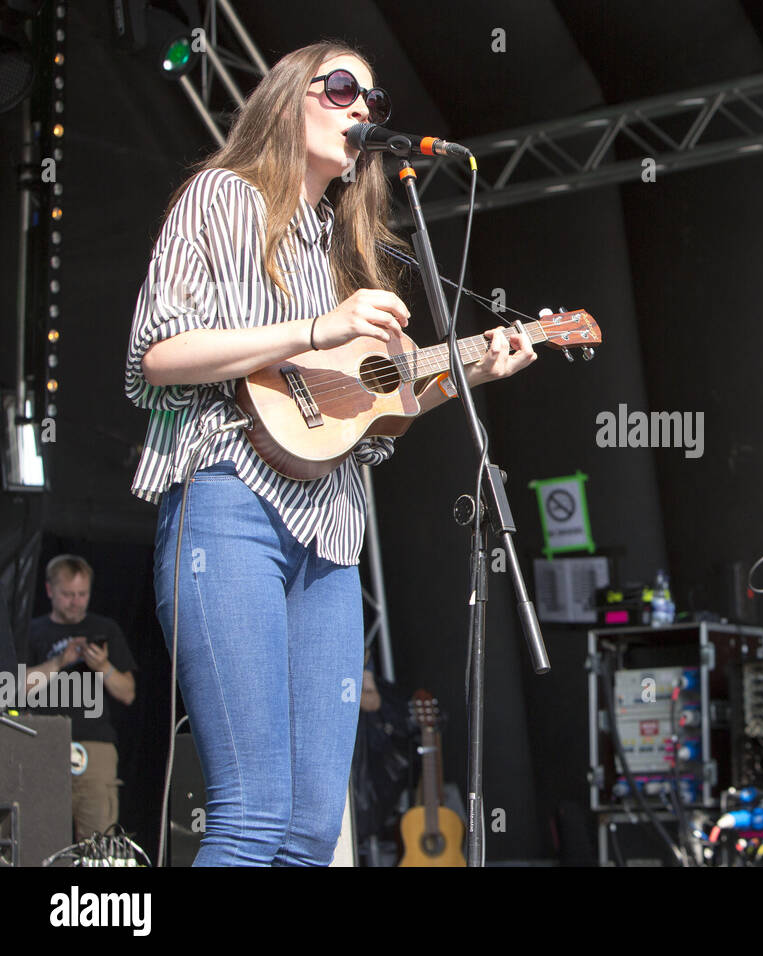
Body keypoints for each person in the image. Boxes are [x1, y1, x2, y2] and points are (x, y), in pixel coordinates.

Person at [123, 43, 535, 866]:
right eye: (342, 88)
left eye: (374, 102)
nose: (362, 109)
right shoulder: (222, 197)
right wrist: (317, 328)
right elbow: (155, 358)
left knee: (314, 831)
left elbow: (363, 418)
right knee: (250, 815)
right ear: (286, 99)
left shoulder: (348, 248)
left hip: (331, 540)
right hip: (227, 503)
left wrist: (465, 374)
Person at [25, 555, 136, 841]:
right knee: (39, 837)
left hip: (94, 746)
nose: (76, 602)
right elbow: (14, 689)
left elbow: (128, 693)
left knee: (97, 839)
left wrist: (103, 667)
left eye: (82, 594)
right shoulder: (32, 630)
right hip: (43, 744)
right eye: (68, 595)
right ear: (50, 591)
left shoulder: (106, 629)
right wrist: (59, 662)